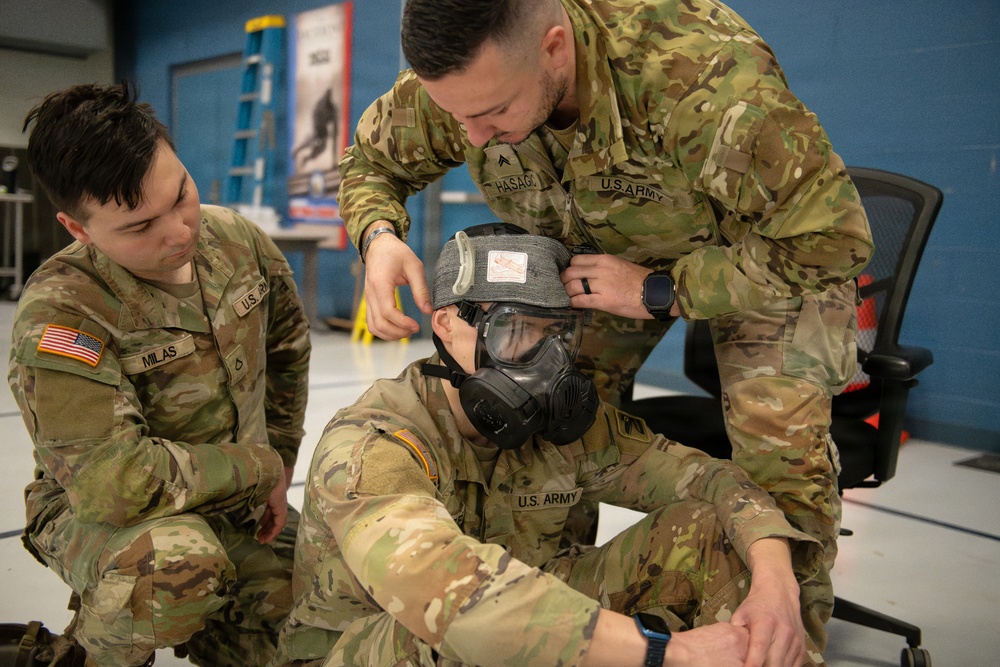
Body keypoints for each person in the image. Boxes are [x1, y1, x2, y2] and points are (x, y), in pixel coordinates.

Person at [337, 0, 875, 650]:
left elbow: (832, 240)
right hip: (595, 262)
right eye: (456, 118)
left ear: (555, 49)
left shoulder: (700, 75)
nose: (471, 137)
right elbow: (369, 162)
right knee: (544, 404)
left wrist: (662, 289)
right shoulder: (468, 82)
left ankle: (789, 640)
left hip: (761, 261)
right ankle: (576, 632)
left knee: (777, 460)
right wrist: (378, 235)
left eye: (492, 114)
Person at [272, 224, 823, 667]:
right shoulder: (375, 446)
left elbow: (713, 480)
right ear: (445, 324)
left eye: (557, 334)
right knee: (468, 635)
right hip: (379, 646)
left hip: (523, 615)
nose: (544, 361)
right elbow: (456, 598)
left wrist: (776, 586)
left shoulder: (561, 426)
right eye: (515, 331)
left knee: (710, 535)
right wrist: (667, 653)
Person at [8, 82, 312, 667]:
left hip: (237, 504)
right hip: (103, 514)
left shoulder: (236, 242)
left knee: (334, 628)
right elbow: (111, 481)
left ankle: (215, 627)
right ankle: (77, 657)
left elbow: (287, 348)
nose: (180, 231)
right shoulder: (64, 310)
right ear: (78, 229)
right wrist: (259, 467)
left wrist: (284, 457)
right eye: (140, 226)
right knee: (175, 566)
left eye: (182, 195)